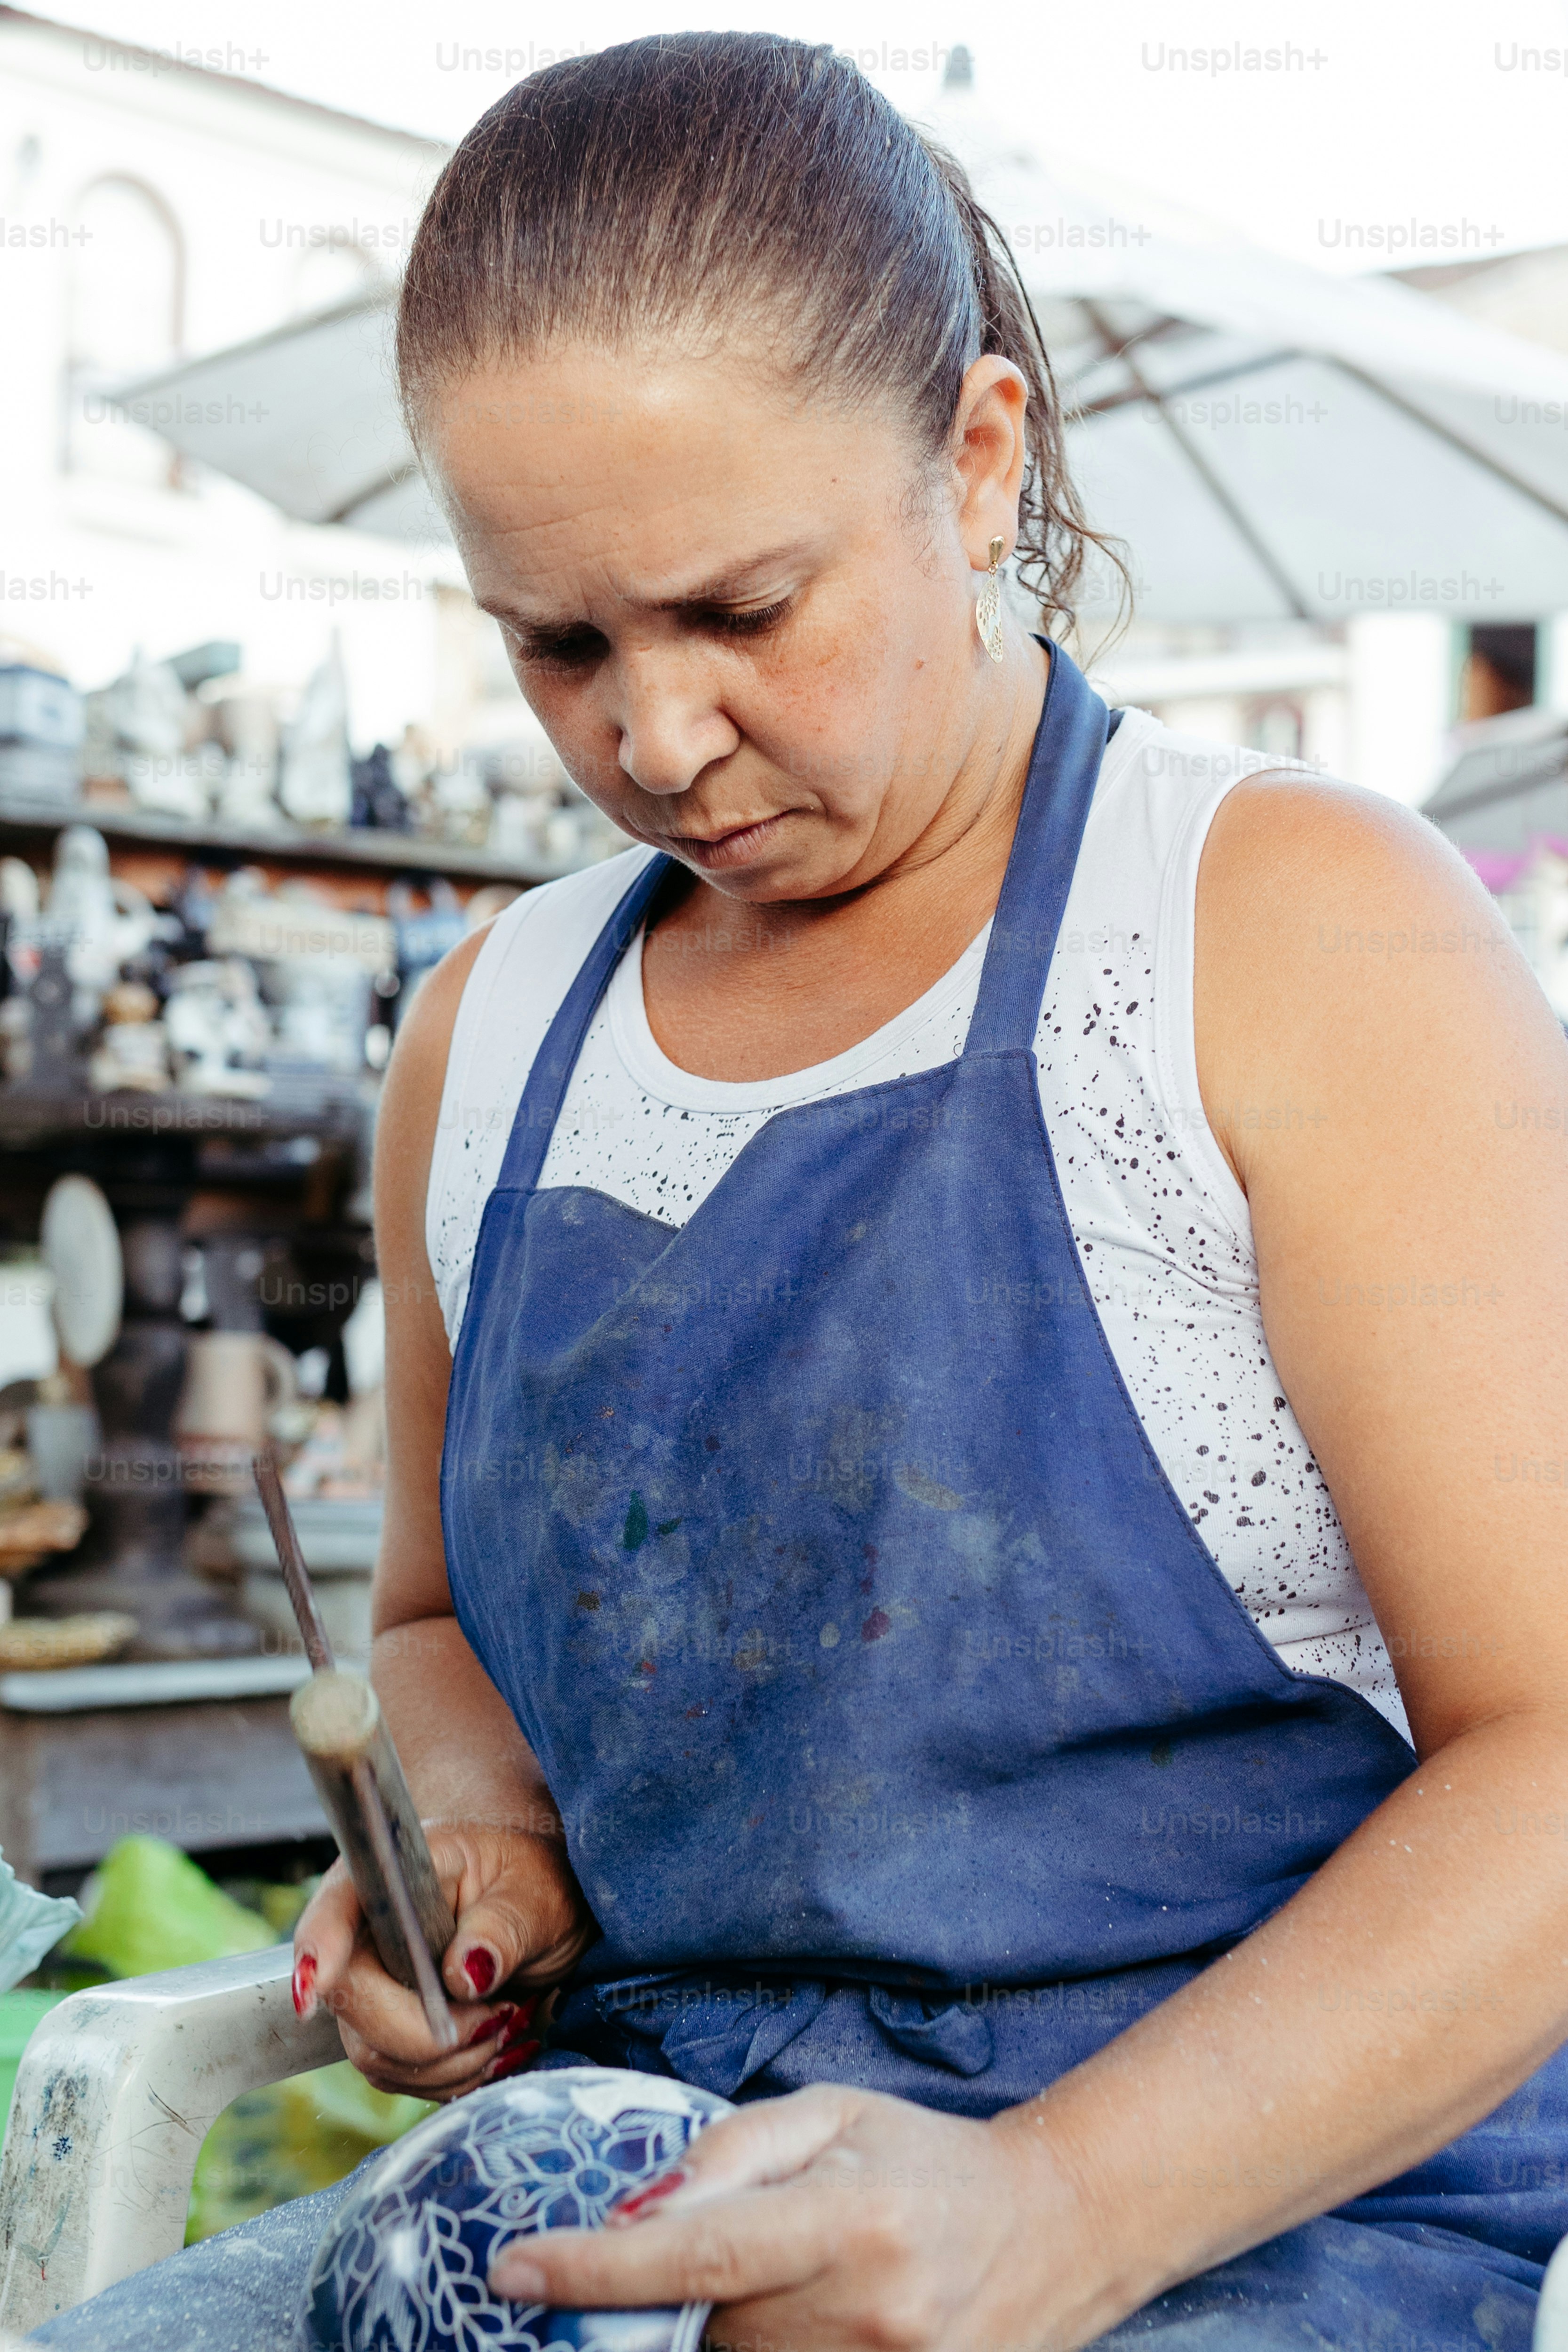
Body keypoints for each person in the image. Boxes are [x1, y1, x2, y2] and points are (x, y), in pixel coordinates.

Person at [35, 32, 1568, 2352]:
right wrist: (483, 1842)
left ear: (973, 459)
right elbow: (437, 1626)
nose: (650, 740)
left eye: (742, 611)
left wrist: (1052, 2206)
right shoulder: (494, 1032)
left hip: (1236, 2203)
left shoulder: (1284, 933)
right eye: (560, 642)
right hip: (657, 2155)